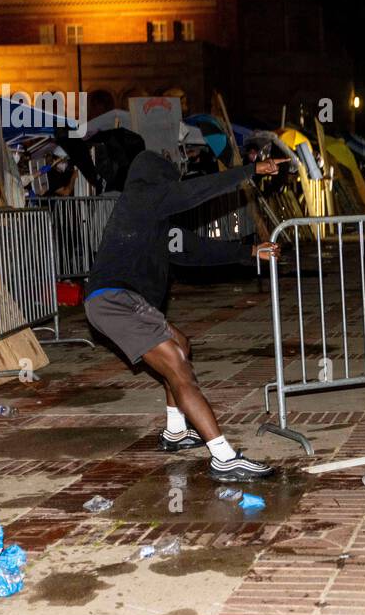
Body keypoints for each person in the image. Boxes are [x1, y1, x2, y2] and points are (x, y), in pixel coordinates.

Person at [85, 150, 287, 482]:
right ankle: (223, 457)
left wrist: (250, 251)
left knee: (180, 343)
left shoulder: (155, 219)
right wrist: (250, 170)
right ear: (158, 179)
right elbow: (194, 192)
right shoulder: (140, 198)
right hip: (114, 301)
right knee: (178, 366)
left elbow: (193, 250)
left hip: (126, 301)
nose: (173, 189)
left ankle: (176, 431)